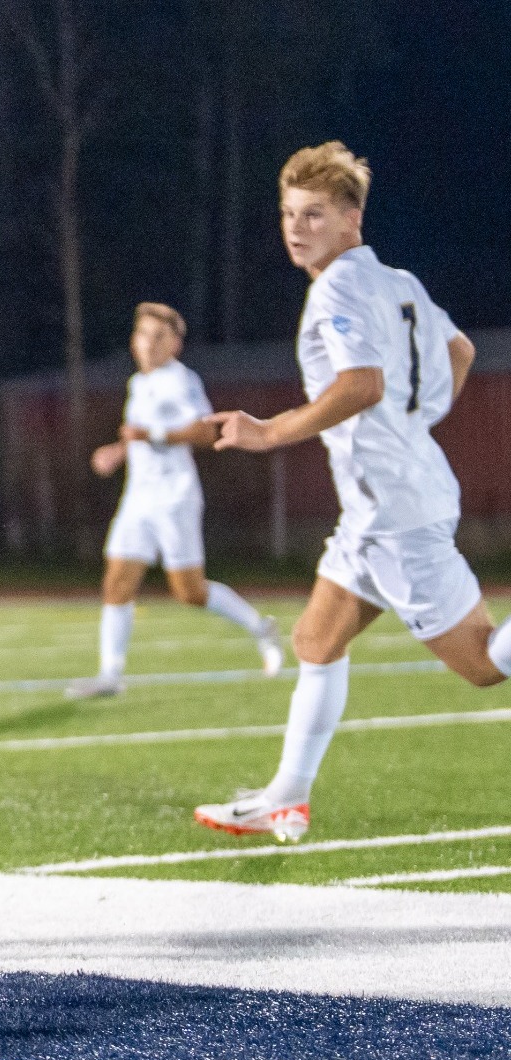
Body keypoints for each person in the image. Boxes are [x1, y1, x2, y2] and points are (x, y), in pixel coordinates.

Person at [195, 141, 511, 843]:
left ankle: (285, 794)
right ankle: (286, 796)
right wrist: (413, 423)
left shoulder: (338, 288)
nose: (296, 227)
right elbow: (459, 351)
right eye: (287, 213)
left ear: (352, 220)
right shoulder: (398, 281)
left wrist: (270, 431)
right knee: (316, 638)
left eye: (314, 213)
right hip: (387, 500)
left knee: (484, 664)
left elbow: (360, 384)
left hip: (392, 510)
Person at [65, 303, 281, 699]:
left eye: (158, 336)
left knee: (189, 591)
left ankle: (260, 627)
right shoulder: (139, 383)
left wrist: (150, 436)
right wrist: (119, 450)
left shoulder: (181, 380)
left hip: (174, 497)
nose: (149, 343)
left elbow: (205, 431)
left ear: (176, 344)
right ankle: (110, 676)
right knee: (116, 581)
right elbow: (142, 435)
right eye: (143, 334)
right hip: (139, 496)